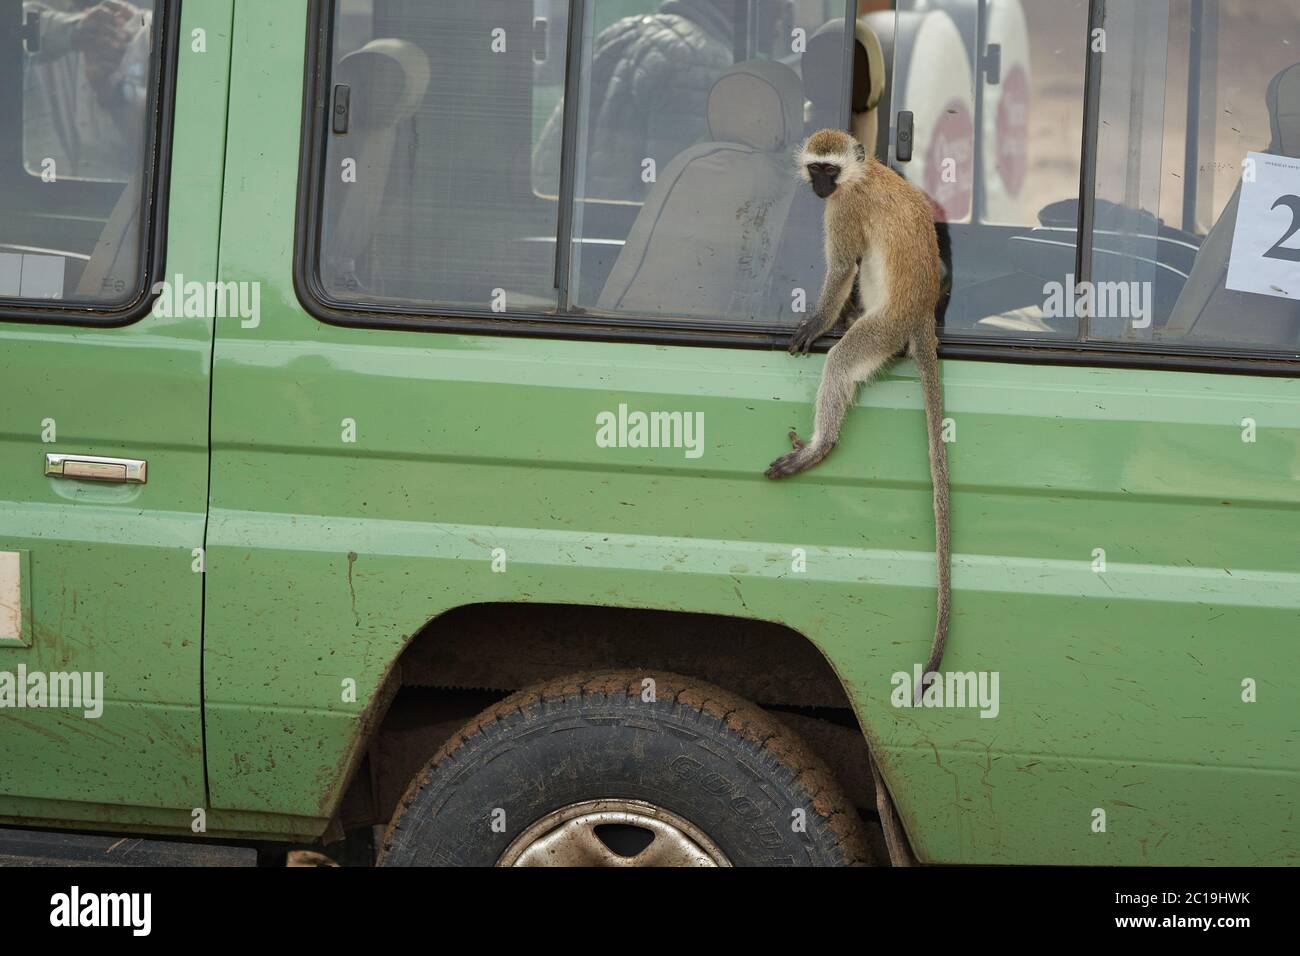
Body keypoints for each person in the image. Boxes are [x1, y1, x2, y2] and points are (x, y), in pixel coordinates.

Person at [533, 0, 792, 201]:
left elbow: (549, 162)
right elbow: (675, 203)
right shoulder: (702, 63)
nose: (783, 14)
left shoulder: (623, 32)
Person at [22, 0, 152, 181]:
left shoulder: (154, 34)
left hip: (121, 205)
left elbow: (170, 143)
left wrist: (113, 90)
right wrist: (76, 30)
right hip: (36, 202)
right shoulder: (30, 21)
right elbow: (13, 29)